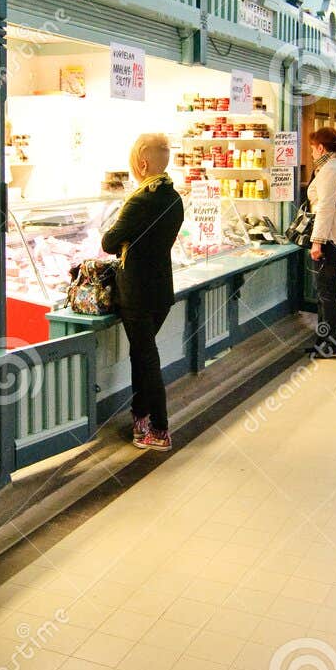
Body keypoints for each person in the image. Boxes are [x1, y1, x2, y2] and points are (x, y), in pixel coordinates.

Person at [100, 134, 185, 452]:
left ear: (142, 162)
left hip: (136, 292)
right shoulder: (173, 197)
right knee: (142, 354)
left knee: (146, 358)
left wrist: (116, 235)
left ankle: (160, 428)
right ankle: (141, 418)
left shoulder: (140, 199)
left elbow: (109, 243)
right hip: (161, 288)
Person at [306, 126, 336, 358]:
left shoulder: (329, 171)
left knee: (326, 294)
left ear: (321, 147)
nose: (312, 153)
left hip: (328, 239)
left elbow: (325, 208)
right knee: (325, 293)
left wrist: (317, 242)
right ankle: (323, 341)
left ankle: (333, 344)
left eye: (313, 148)